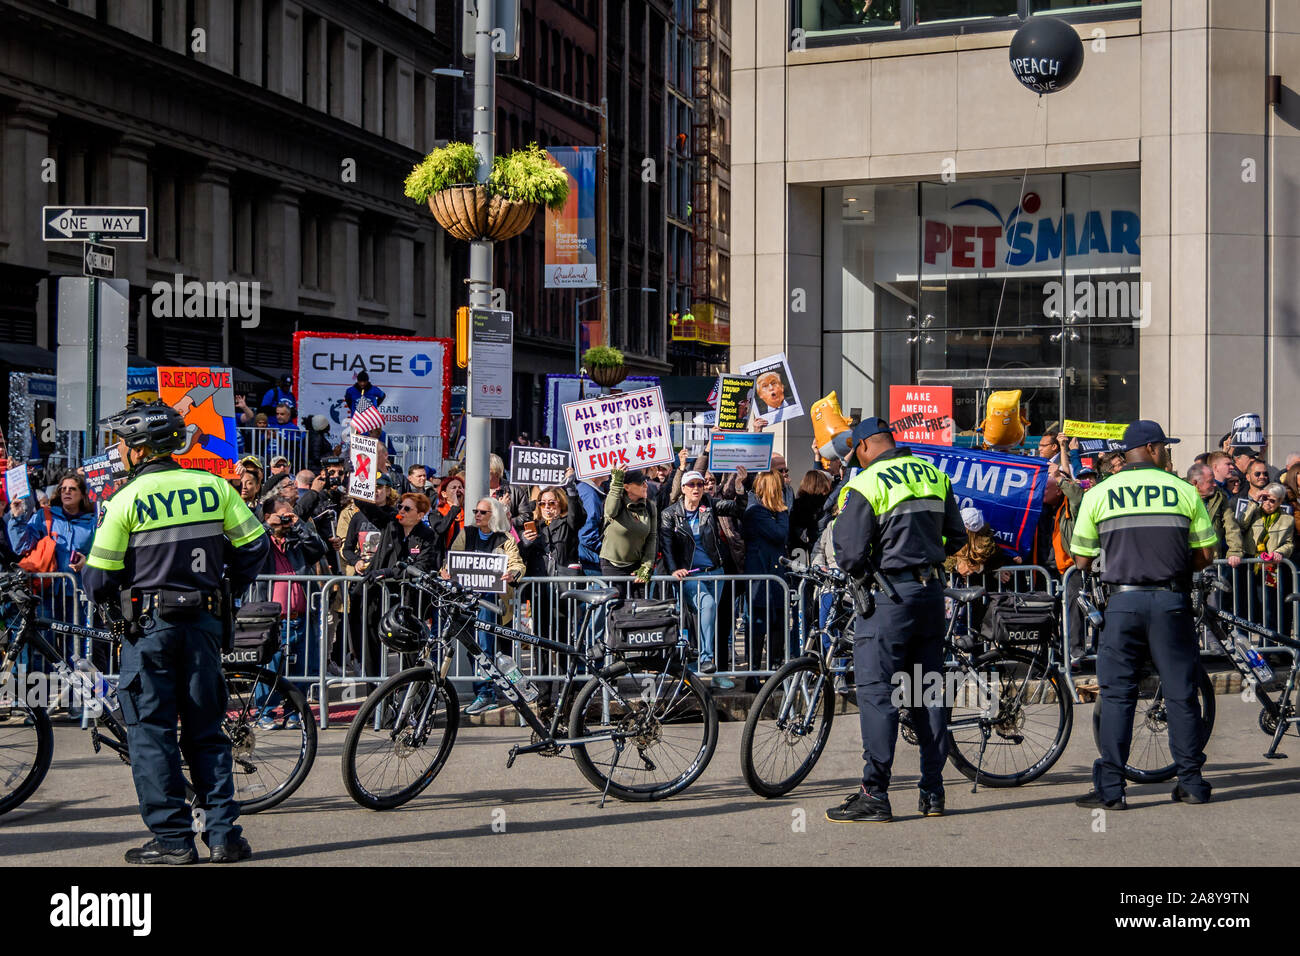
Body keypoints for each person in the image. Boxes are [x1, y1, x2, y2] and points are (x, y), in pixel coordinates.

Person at [83, 401, 269, 864]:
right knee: (207, 731)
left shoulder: (125, 499)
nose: (120, 450)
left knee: (152, 735)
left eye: (123, 443)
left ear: (140, 449)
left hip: (150, 631)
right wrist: (226, 589)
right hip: (205, 624)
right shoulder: (213, 487)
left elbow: (97, 579)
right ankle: (224, 835)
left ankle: (173, 840)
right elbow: (255, 546)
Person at [1070, 420, 1218, 811]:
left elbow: (1081, 558)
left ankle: (1112, 791)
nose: (1168, 452)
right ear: (1152, 448)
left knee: (1118, 696)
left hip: (1122, 605)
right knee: (1182, 694)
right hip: (1171, 603)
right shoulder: (1184, 491)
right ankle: (1191, 784)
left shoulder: (1100, 493)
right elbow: (1206, 555)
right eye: (1165, 447)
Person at [827, 417, 966, 823]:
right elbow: (955, 537)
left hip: (889, 599)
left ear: (868, 445)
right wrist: (923, 551)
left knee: (877, 694)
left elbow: (849, 555)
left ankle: (875, 794)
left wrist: (886, 558)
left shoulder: (866, 484)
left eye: (857, 451)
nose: (856, 458)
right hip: (930, 596)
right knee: (927, 693)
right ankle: (933, 792)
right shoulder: (934, 475)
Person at [661, 467, 748, 688]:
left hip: (715, 572)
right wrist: (674, 569)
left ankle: (702, 665)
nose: (697, 488)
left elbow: (738, 509)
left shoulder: (709, 505)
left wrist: (739, 486)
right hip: (690, 575)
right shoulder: (670, 514)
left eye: (700, 485)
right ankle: (705, 657)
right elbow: (667, 546)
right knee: (706, 607)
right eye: (692, 485)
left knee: (708, 618)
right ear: (683, 489)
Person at [444, 498, 525, 716]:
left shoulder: (504, 538)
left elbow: (517, 563)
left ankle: (486, 693)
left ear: (494, 515)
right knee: (473, 647)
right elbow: (453, 558)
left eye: (483, 512)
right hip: (465, 599)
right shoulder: (466, 533)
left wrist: (513, 574)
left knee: (484, 647)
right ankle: (485, 689)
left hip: (490, 600)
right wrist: (447, 570)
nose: (477, 515)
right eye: (476, 511)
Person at [253, 495, 328, 726]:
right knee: (270, 667)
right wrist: (269, 527)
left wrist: (299, 526)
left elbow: (319, 549)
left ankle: (293, 711)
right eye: (282, 514)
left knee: (303, 666)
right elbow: (251, 544)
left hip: (302, 615)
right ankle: (264, 712)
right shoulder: (260, 538)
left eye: (290, 513)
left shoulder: (297, 538)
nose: (287, 518)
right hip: (271, 617)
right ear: (267, 516)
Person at [743, 471, 791, 675]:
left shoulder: (769, 512)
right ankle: (754, 674)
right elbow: (780, 534)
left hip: (775, 578)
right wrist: (782, 511)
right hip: (761, 578)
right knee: (759, 626)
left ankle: (774, 671)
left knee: (778, 624)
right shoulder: (756, 511)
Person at [1237, 483, 1295, 632]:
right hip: (1250, 564)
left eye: (1272, 501)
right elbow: (1240, 525)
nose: (1267, 503)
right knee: (1248, 604)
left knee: (1268, 606)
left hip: (1271, 567)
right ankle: (1246, 640)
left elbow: (1289, 544)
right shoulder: (1254, 512)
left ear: (1281, 501)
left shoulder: (1287, 519)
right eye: (1265, 499)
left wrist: (1280, 553)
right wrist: (1254, 501)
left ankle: (1268, 644)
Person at [599, 469, 657, 594]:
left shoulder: (650, 507)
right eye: (642, 483)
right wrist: (617, 481)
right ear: (627, 487)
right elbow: (610, 511)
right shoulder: (617, 502)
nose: (646, 486)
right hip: (612, 565)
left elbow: (652, 537)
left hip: (636, 565)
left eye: (646, 482)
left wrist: (647, 565)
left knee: (640, 608)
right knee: (616, 609)